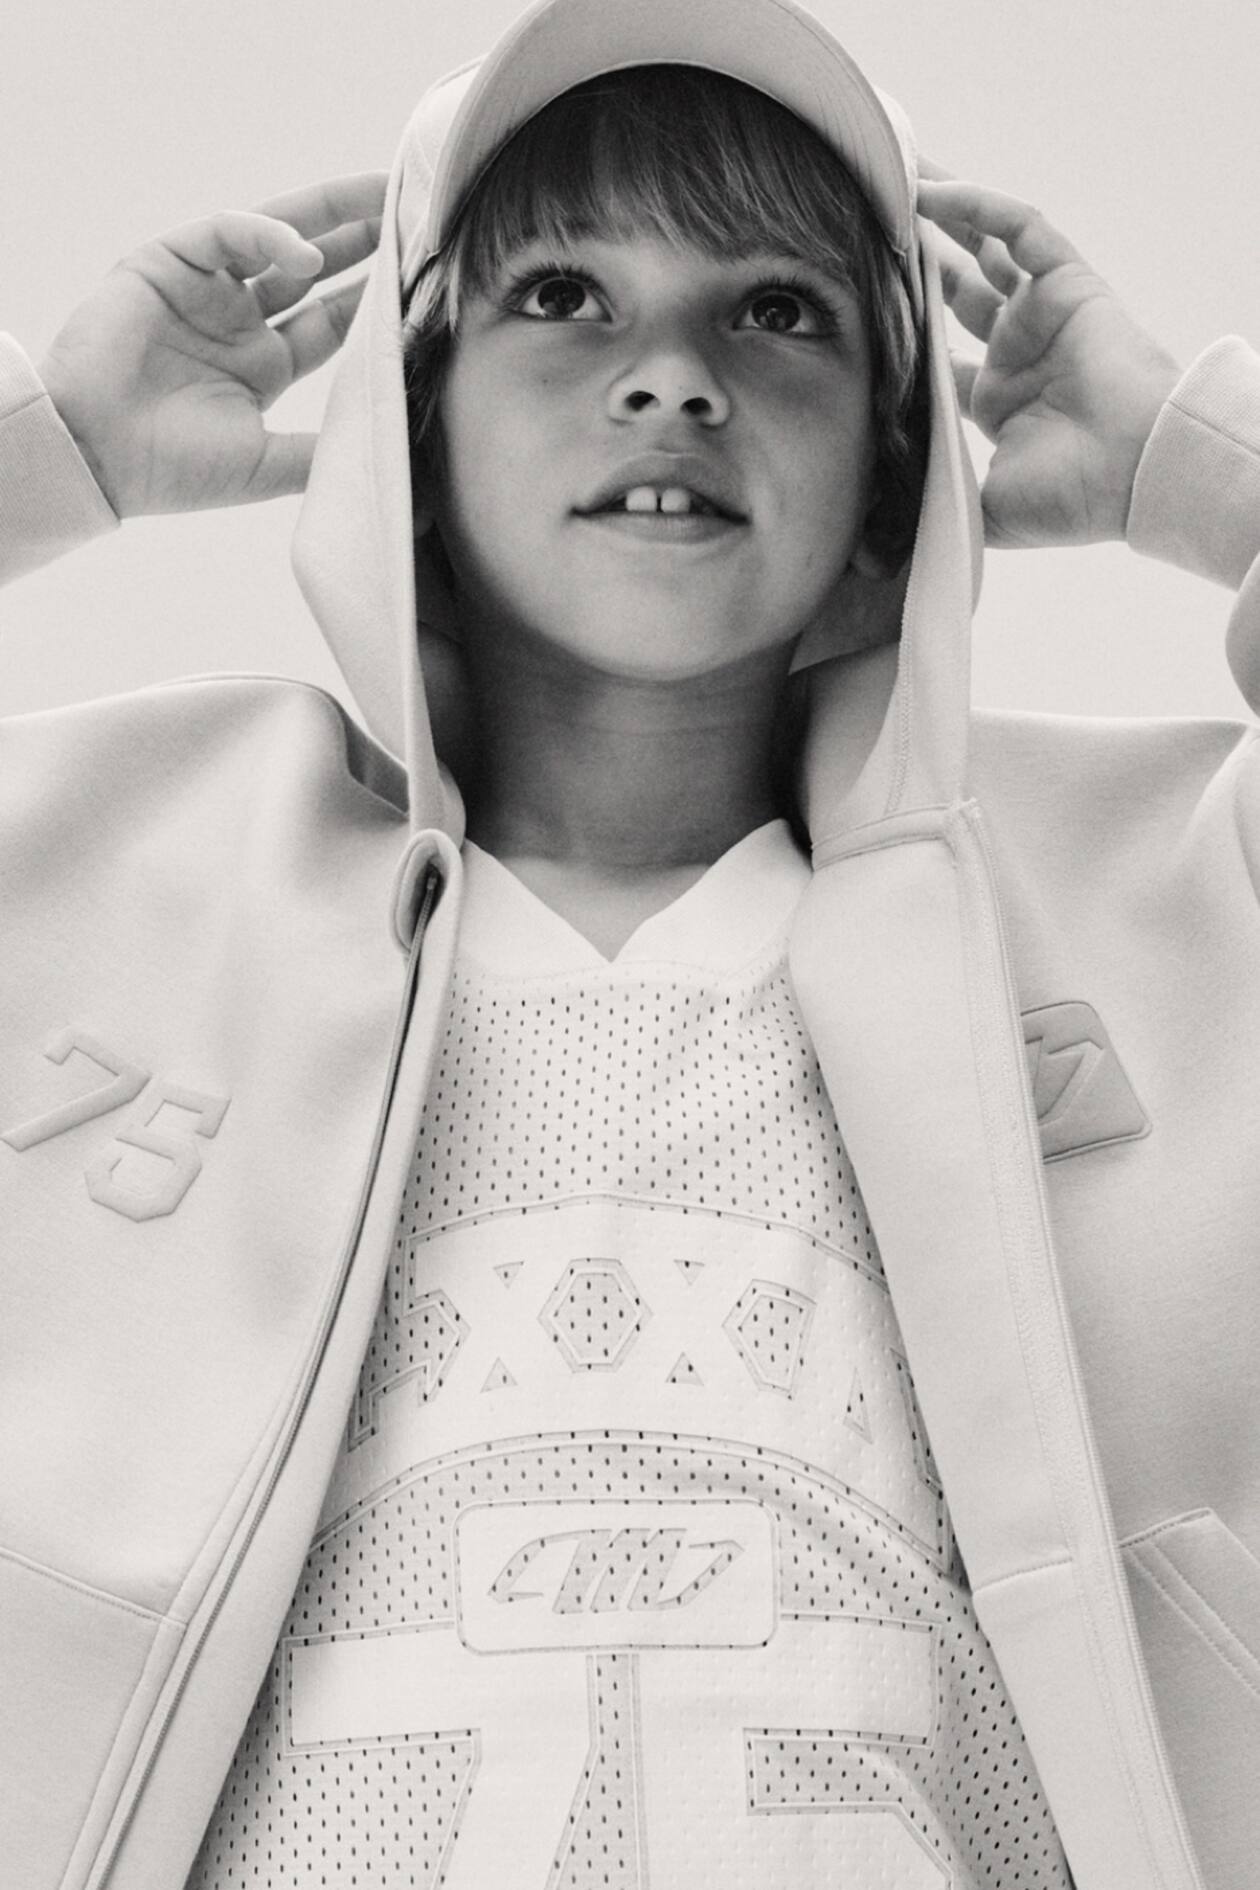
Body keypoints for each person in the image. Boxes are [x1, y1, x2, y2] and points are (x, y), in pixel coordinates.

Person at [1, 0, 1257, 1885]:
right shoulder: (113, 860)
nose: (671, 379)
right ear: (404, 429)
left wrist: (1201, 468)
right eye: (563, 296)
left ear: (891, 485)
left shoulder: (1158, 893)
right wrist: (52, 448)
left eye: (780, 312)